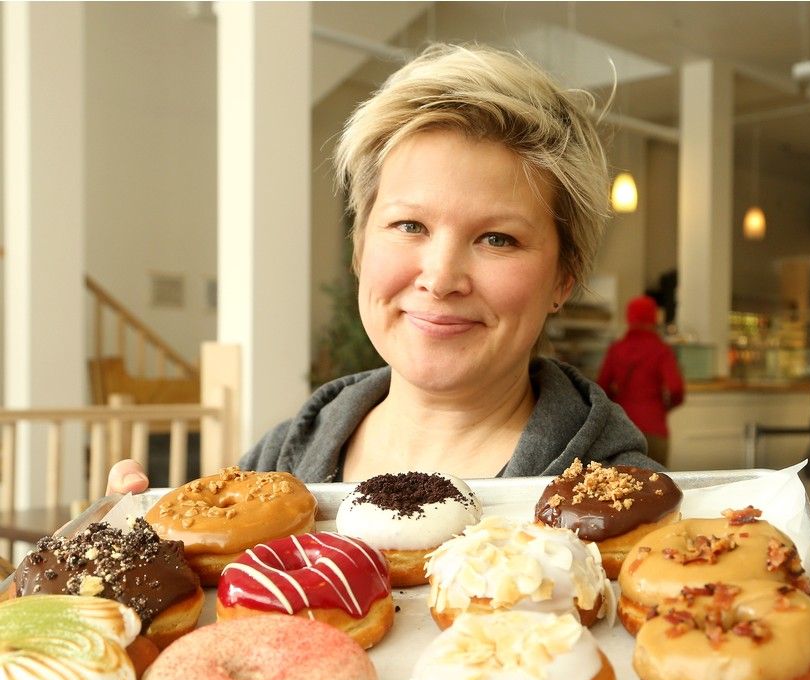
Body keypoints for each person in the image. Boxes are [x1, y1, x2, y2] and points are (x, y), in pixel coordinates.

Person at [107, 43, 661, 496]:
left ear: (563, 278)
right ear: (359, 247)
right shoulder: (278, 465)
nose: (441, 278)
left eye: (498, 238)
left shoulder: (624, 500)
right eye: (409, 226)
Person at [596, 295, 685, 465]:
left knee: (624, 486)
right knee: (658, 486)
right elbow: (676, 389)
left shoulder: (617, 349)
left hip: (623, 428)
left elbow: (601, 389)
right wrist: (663, 407)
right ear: (654, 318)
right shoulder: (662, 350)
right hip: (654, 427)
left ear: (629, 317)